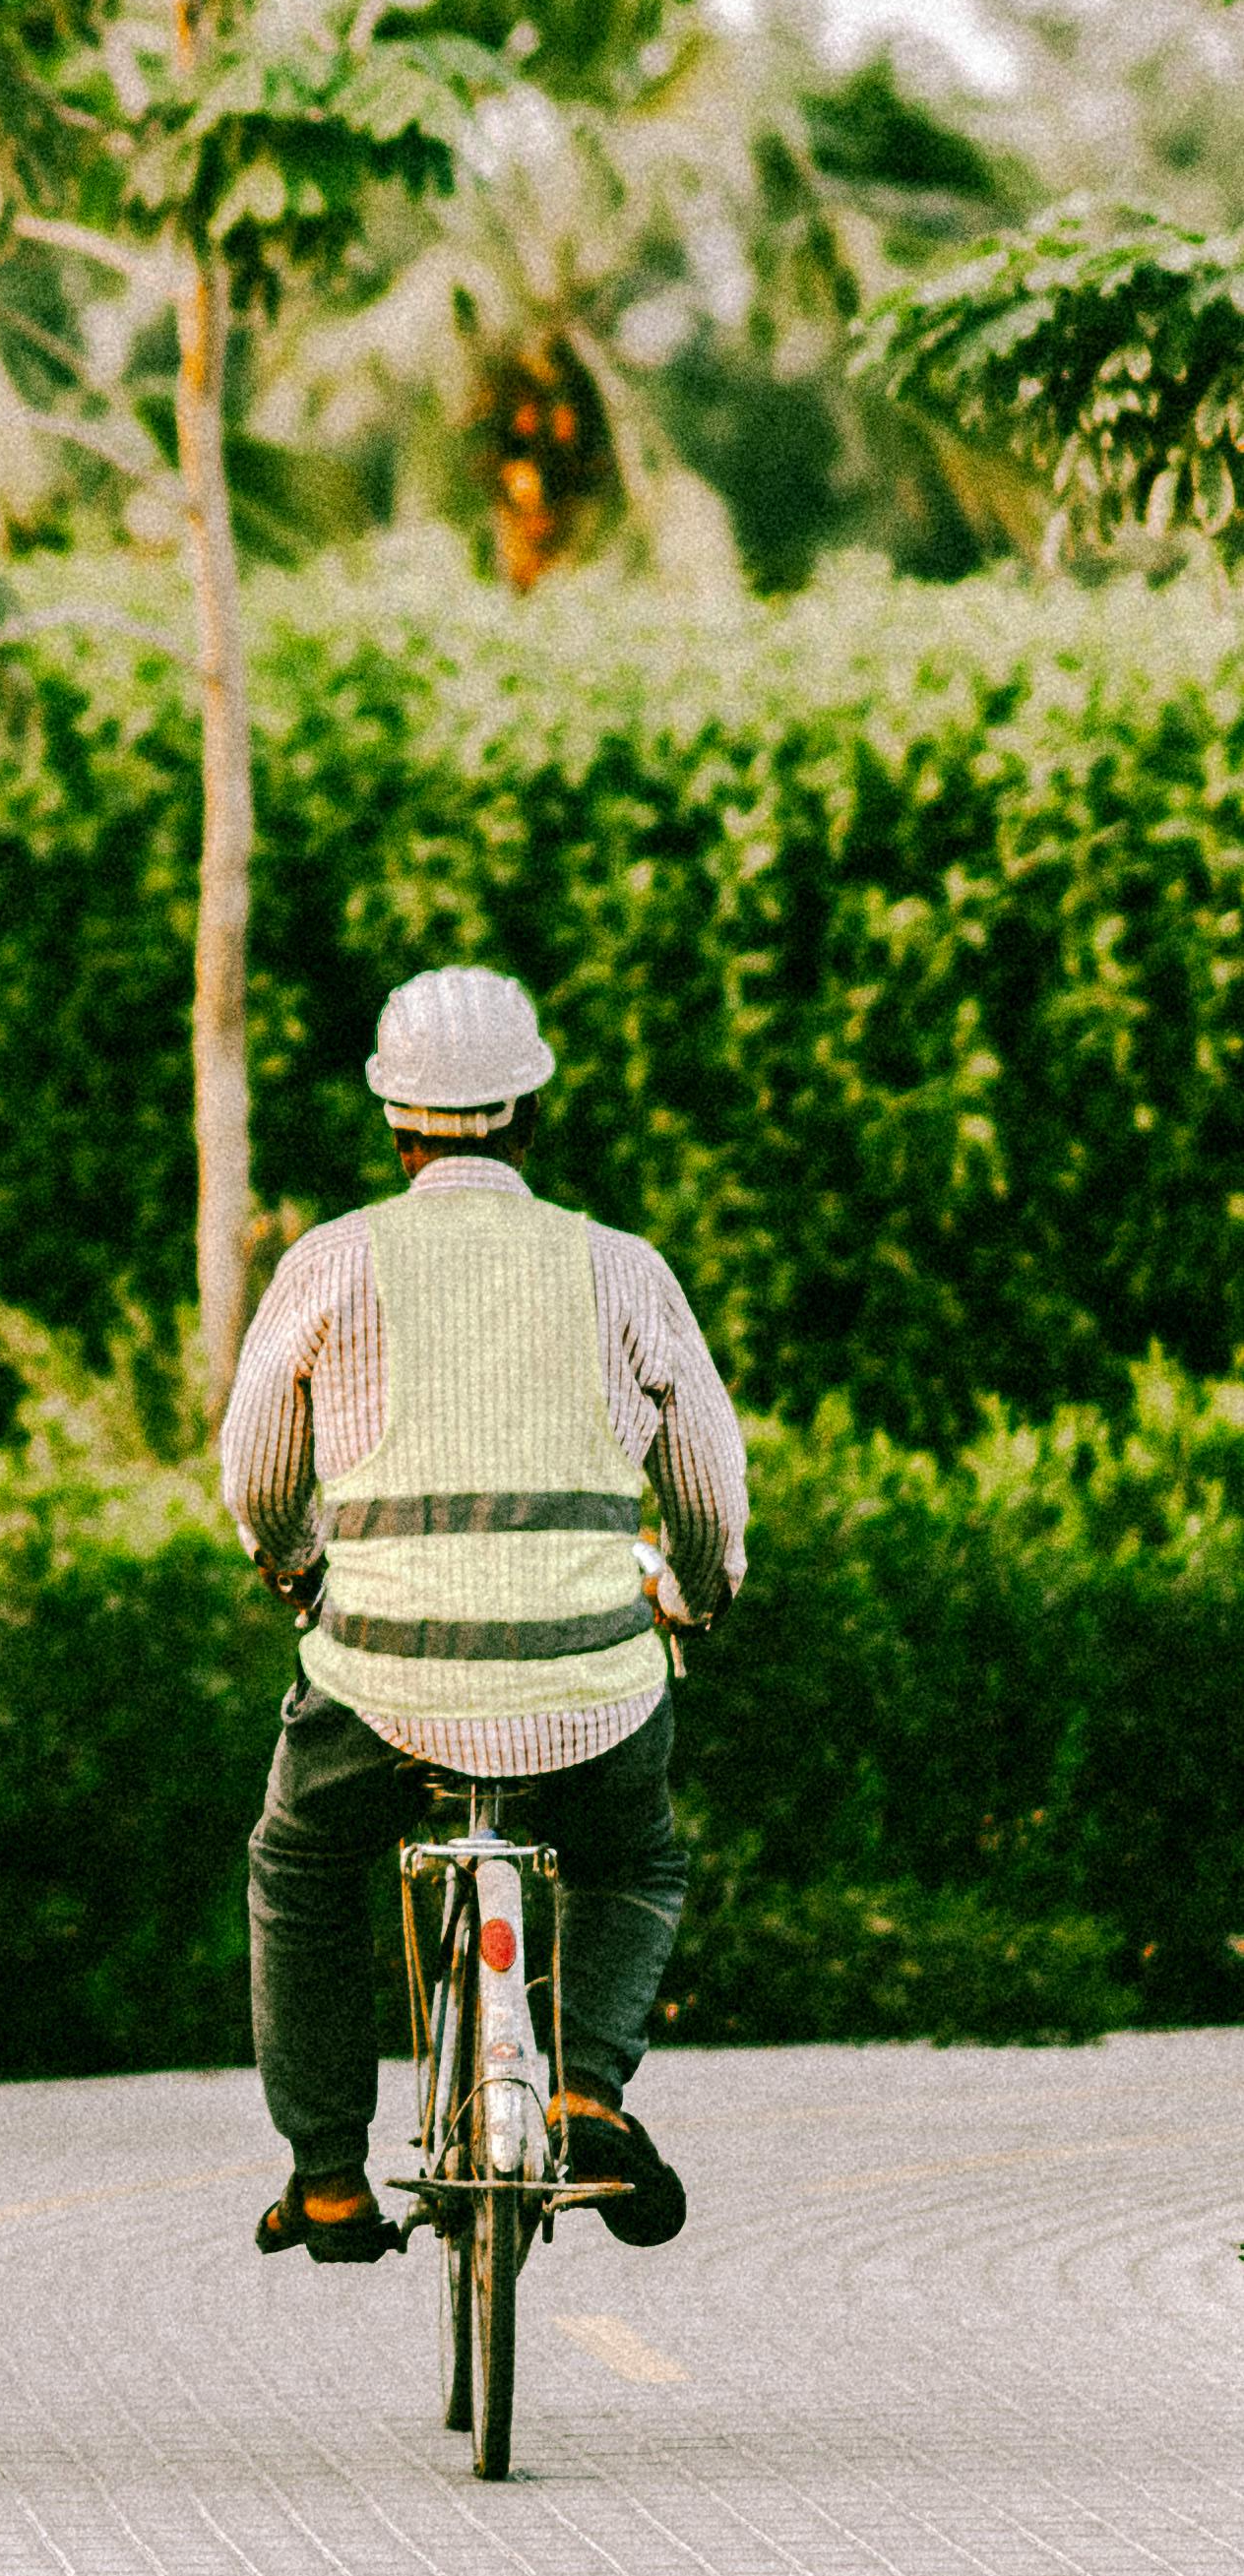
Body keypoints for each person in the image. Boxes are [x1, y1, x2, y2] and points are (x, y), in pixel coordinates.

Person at [218, 961, 748, 2267]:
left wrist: (300, 1568)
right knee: (632, 1859)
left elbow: (255, 1479)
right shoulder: (622, 1271)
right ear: (532, 1114)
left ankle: (328, 2176)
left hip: (378, 1682)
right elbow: (711, 1499)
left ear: (394, 1125)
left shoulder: (330, 1265)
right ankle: (587, 2089)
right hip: (590, 1685)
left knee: (301, 1866)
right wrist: (690, 1595)